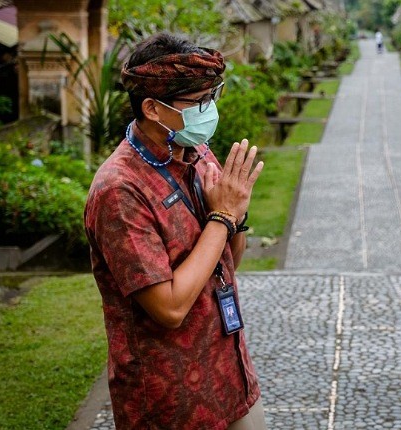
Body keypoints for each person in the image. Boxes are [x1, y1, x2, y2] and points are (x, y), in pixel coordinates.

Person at [84, 32, 266, 430]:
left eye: (212, 97)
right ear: (152, 107)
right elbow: (169, 308)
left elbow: (230, 259)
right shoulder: (120, 189)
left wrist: (235, 213)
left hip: (231, 375)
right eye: (199, 102)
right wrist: (221, 218)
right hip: (170, 399)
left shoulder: (196, 152)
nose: (210, 110)